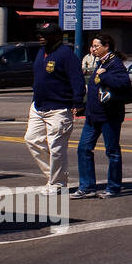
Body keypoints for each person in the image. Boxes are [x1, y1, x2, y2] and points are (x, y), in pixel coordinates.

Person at [25, 22, 85, 195]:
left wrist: (78, 102)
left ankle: (58, 183)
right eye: (39, 34)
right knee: (32, 139)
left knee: (56, 148)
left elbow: (77, 79)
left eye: (45, 34)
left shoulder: (66, 55)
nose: (40, 37)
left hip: (59, 109)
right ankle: (53, 176)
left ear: (57, 37)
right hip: (38, 106)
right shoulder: (41, 53)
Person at [73, 34, 131, 199]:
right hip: (93, 115)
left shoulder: (114, 63)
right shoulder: (101, 63)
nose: (93, 49)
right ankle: (87, 186)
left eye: (96, 46)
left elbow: (123, 83)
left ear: (107, 46)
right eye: (92, 46)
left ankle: (113, 187)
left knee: (112, 151)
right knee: (83, 149)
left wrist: (104, 75)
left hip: (109, 116)